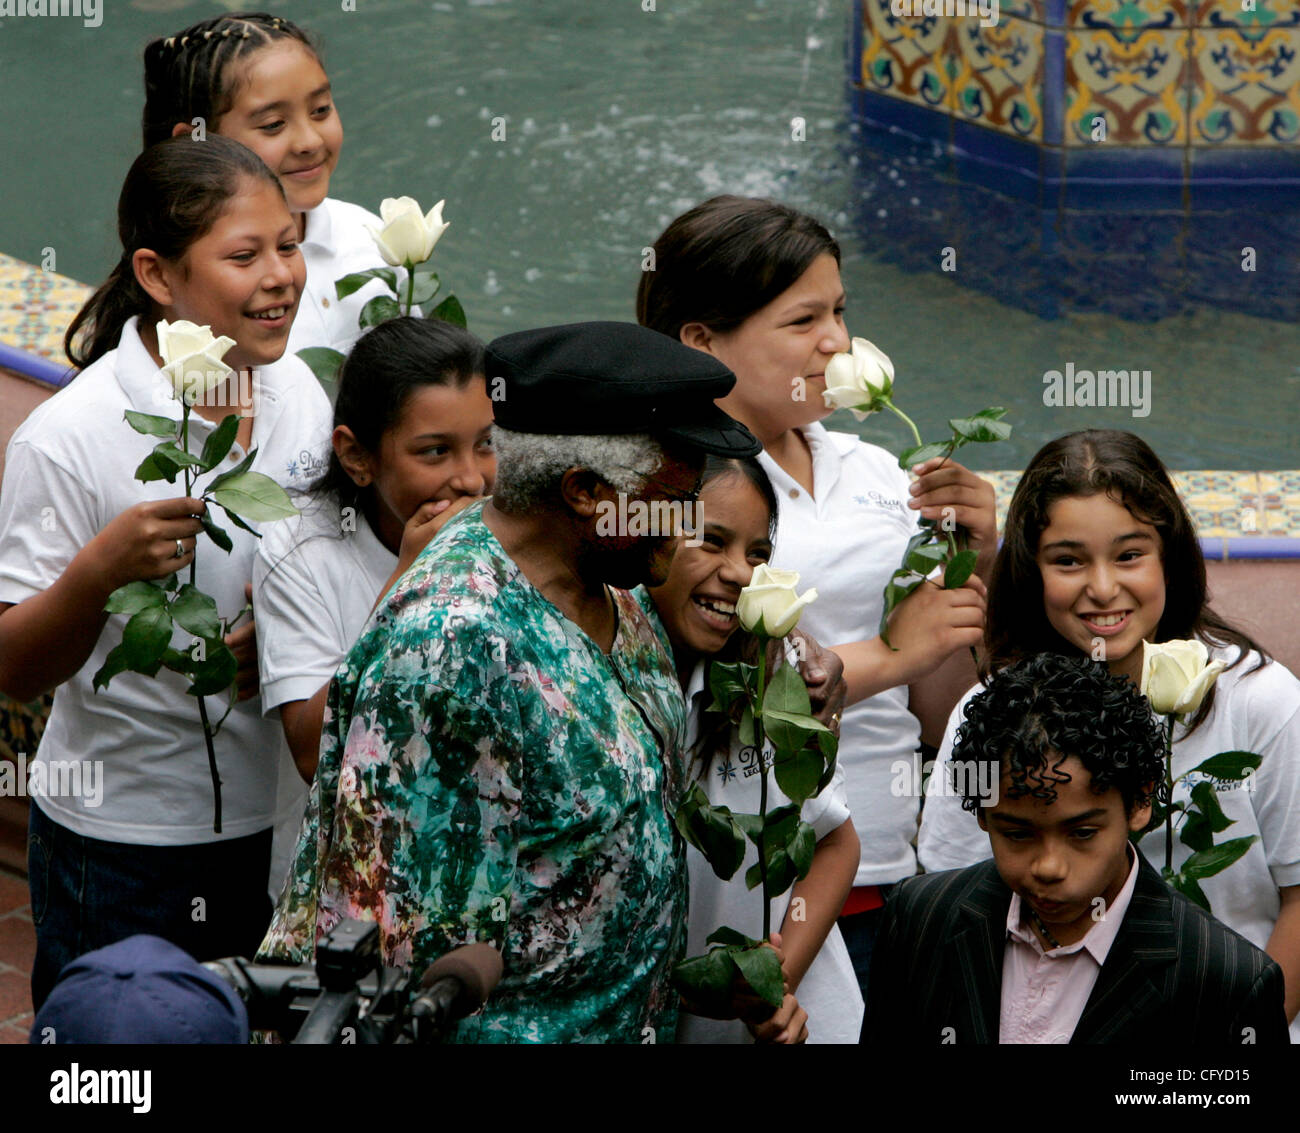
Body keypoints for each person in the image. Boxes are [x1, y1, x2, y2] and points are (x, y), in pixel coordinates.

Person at [258, 321, 763, 1043]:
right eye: (672, 502)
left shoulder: (613, 587)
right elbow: (406, 965)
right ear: (585, 490)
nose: (684, 529)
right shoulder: (451, 648)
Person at [0, 135, 332, 1009]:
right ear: (157, 274)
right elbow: (13, 666)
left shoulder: (298, 390)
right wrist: (94, 576)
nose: (281, 275)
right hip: (124, 845)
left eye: (289, 244)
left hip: (278, 824)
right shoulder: (72, 438)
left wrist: (292, 640)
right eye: (244, 254)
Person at [638, 194, 994, 995]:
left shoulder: (875, 470)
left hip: (892, 862)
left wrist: (972, 560)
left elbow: (938, 700)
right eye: (803, 322)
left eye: (839, 311)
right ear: (702, 341)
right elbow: (708, 677)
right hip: (752, 865)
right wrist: (893, 652)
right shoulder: (675, 494)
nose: (837, 342)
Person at [917, 429, 1300, 1040]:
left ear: (1168, 556)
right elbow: (953, 889)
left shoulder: (1259, 701)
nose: (1101, 588)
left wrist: (1232, 1038)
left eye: (1129, 555)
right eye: (1067, 560)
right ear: (1030, 567)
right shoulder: (988, 713)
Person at [864, 654, 1290, 1045]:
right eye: (1017, 834)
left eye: (1082, 833)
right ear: (981, 813)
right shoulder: (920, 918)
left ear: (1141, 802)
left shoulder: (1226, 979)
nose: (1048, 867)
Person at [253, 316, 492, 896]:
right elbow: (313, 752)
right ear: (356, 455)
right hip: (344, 891)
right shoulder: (302, 550)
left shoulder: (513, 535)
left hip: (475, 885)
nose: (470, 480)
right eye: (434, 451)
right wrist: (409, 578)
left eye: (485, 443)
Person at [647, 454, 862, 1043]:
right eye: (711, 541)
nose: (740, 572)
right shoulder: (607, 681)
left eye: (758, 554)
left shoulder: (776, 675)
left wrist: (773, 982)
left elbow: (834, 840)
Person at [142, 11, 394, 356]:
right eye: (273, 124)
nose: (309, 142)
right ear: (196, 141)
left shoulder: (371, 236)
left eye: (320, 110)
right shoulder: (197, 290)